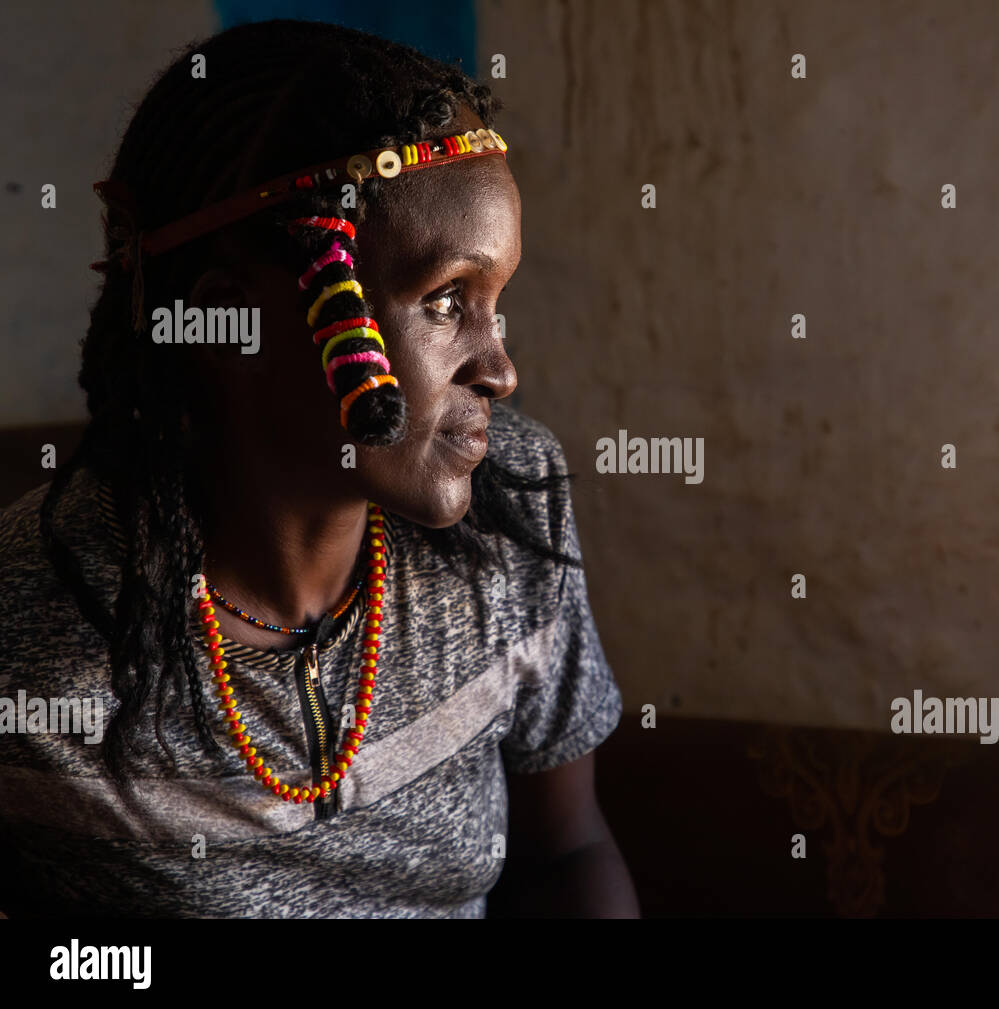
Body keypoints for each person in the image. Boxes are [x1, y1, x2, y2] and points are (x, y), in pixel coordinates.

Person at [0, 18, 638, 918]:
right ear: (231, 323)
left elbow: (570, 849)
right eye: (446, 301)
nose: (500, 368)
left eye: (498, 303)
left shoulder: (513, 515)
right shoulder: (32, 635)